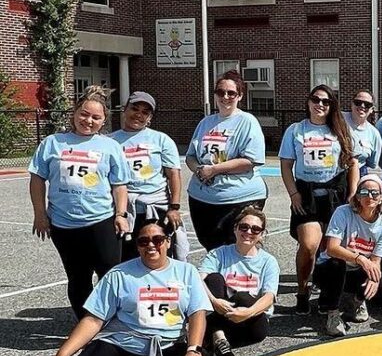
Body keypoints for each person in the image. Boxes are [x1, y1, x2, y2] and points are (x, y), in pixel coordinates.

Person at [10, 219, 211, 356]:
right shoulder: (120, 274)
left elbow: (197, 314)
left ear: (167, 241)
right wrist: (62, 354)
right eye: (143, 241)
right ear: (137, 245)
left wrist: (193, 349)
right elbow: (93, 320)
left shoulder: (186, 272)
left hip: (165, 346)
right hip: (122, 344)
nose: (151, 245)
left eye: (157, 239)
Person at [29, 85, 128, 318]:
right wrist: (40, 214)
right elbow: (37, 179)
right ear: (74, 113)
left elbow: (119, 184)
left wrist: (121, 215)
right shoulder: (53, 143)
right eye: (84, 114)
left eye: (96, 117)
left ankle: (115, 321)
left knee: (111, 275)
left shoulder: (110, 146)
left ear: (103, 121)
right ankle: (86, 325)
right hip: (64, 225)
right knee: (78, 278)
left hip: (101, 221)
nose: (88, 120)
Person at [279, 84, 358, 313]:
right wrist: (293, 193)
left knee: (331, 246)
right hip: (307, 194)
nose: (320, 104)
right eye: (316, 99)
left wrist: (352, 192)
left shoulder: (340, 129)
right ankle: (302, 289)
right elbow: (286, 165)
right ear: (308, 102)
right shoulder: (296, 130)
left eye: (326, 101)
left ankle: (327, 289)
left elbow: (352, 163)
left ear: (332, 105)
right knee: (310, 244)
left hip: (335, 194)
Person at [185, 70, 267, 250]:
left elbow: (250, 161)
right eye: (221, 92)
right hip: (202, 198)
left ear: (240, 96)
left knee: (235, 247)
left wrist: (214, 170)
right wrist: (199, 170)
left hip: (238, 197)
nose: (225, 97)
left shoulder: (247, 121)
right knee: (211, 247)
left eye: (231, 93)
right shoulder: (206, 122)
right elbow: (191, 156)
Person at [313, 174, 382, 337]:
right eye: (364, 192)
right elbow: (332, 248)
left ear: (380, 198)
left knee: (380, 283)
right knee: (338, 263)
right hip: (329, 269)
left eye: (374, 193)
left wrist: (373, 279)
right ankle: (333, 313)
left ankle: (357, 301)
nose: (369, 196)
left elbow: (376, 260)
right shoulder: (343, 212)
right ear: (357, 196)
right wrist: (360, 258)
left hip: (355, 271)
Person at [200, 206, 280, 356]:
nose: (249, 232)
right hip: (220, 310)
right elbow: (198, 281)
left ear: (262, 234)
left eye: (255, 229)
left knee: (243, 296)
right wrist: (215, 301)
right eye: (244, 227)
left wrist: (248, 312)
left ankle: (213, 337)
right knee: (214, 278)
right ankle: (219, 340)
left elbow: (269, 297)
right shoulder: (218, 254)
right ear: (235, 228)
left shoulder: (268, 261)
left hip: (250, 318)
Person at [111, 91, 183, 261]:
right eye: (135, 108)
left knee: (158, 257)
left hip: (156, 208)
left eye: (145, 112)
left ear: (150, 117)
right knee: (126, 259)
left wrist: (174, 208)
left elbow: (173, 174)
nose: (139, 114)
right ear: (124, 110)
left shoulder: (161, 139)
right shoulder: (110, 141)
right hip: (124, 209)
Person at [344, 89, 382, 174]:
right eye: (358, 102)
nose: (362, 106)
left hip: (358, 174)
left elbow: (372, 164)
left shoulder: (374, 134)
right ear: (352, 104)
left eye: (367, 104)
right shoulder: (338, 119)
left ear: (372, 109)